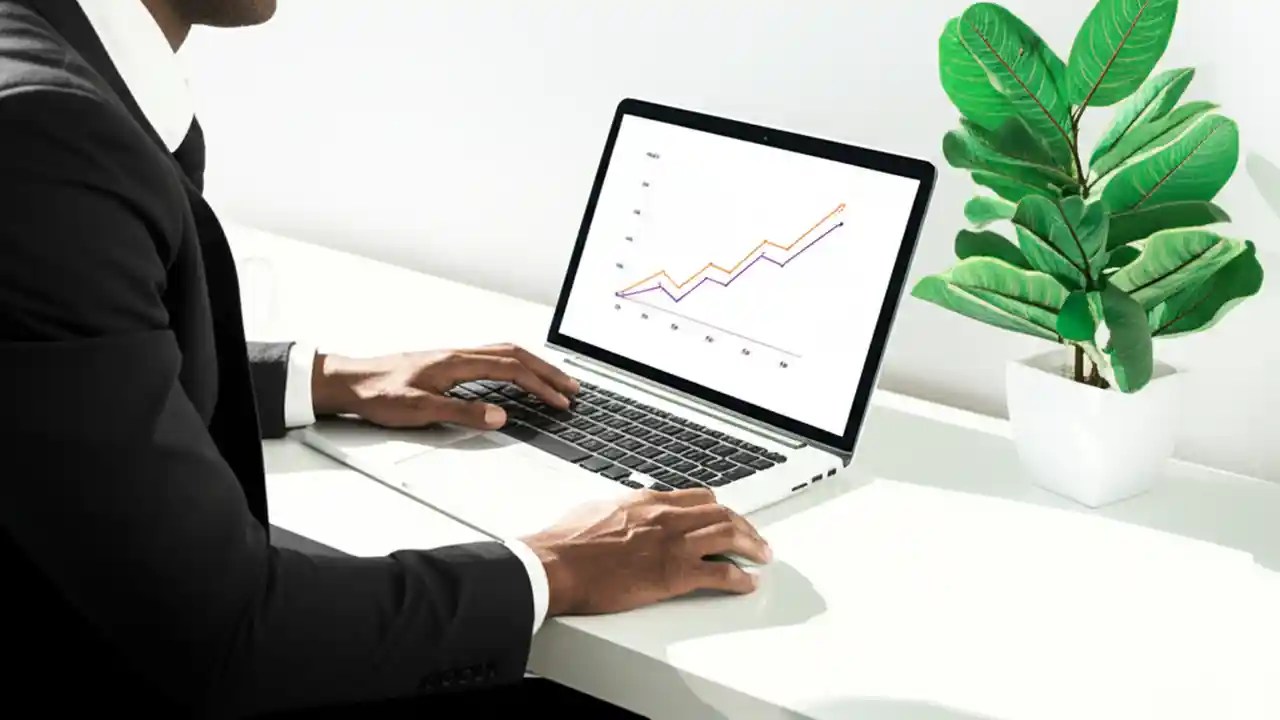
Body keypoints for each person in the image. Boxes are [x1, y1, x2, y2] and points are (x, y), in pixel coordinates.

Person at [0, 0, 771, 717]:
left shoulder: (42, 54)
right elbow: (228, 634)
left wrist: (331, 379)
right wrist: (556, 568)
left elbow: (69, 366)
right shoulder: (48, 134)